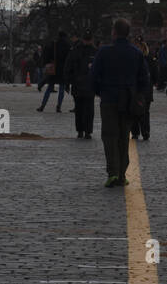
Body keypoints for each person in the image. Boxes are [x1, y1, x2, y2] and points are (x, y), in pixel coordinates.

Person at [89, 19, 148, 187]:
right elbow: (144, 78)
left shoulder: (104, 52)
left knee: (109, 136)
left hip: (108, 99)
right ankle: (122, 174)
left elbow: (93, 76)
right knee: (124, 137)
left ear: (114, 32)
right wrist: (139, 97)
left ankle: (112, 173)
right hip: (129, 100)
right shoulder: (136, 53)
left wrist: (99, 92)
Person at [65, 36, 94, 139]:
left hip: (88, 85)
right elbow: (68, 67)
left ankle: (86, 131)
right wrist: (67, 82)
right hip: (79, 85)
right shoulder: (76, 51)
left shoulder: (94, 51)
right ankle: (82, 131)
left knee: (87, 110)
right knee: (80, 110)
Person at [131, 40, 157, 141]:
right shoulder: (133, 59)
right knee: (134, 112)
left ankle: (145, 132)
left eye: (140, 47)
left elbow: (155, 74)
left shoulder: (149, 60)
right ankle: (136, 132)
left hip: (145, 90)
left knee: (145, 112)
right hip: (136, 89)